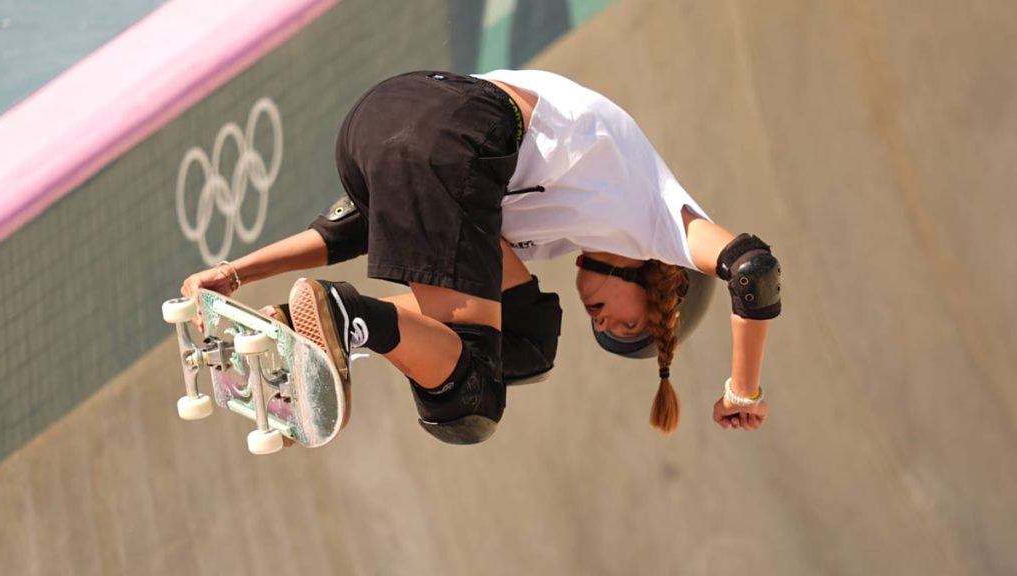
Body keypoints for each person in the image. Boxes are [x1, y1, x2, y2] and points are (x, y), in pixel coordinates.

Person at [181, 69, 781, 445]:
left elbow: (360, 225)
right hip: (462, 131)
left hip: (379, 119)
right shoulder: (660, 219)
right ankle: (348, 318)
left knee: (529, 337)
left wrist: (236, 271)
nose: (605, 323)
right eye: (629, 323)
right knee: (472, 402)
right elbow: (752, 271)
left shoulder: (557, 226)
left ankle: (312, 328)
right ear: (665, 283)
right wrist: (743, 392)